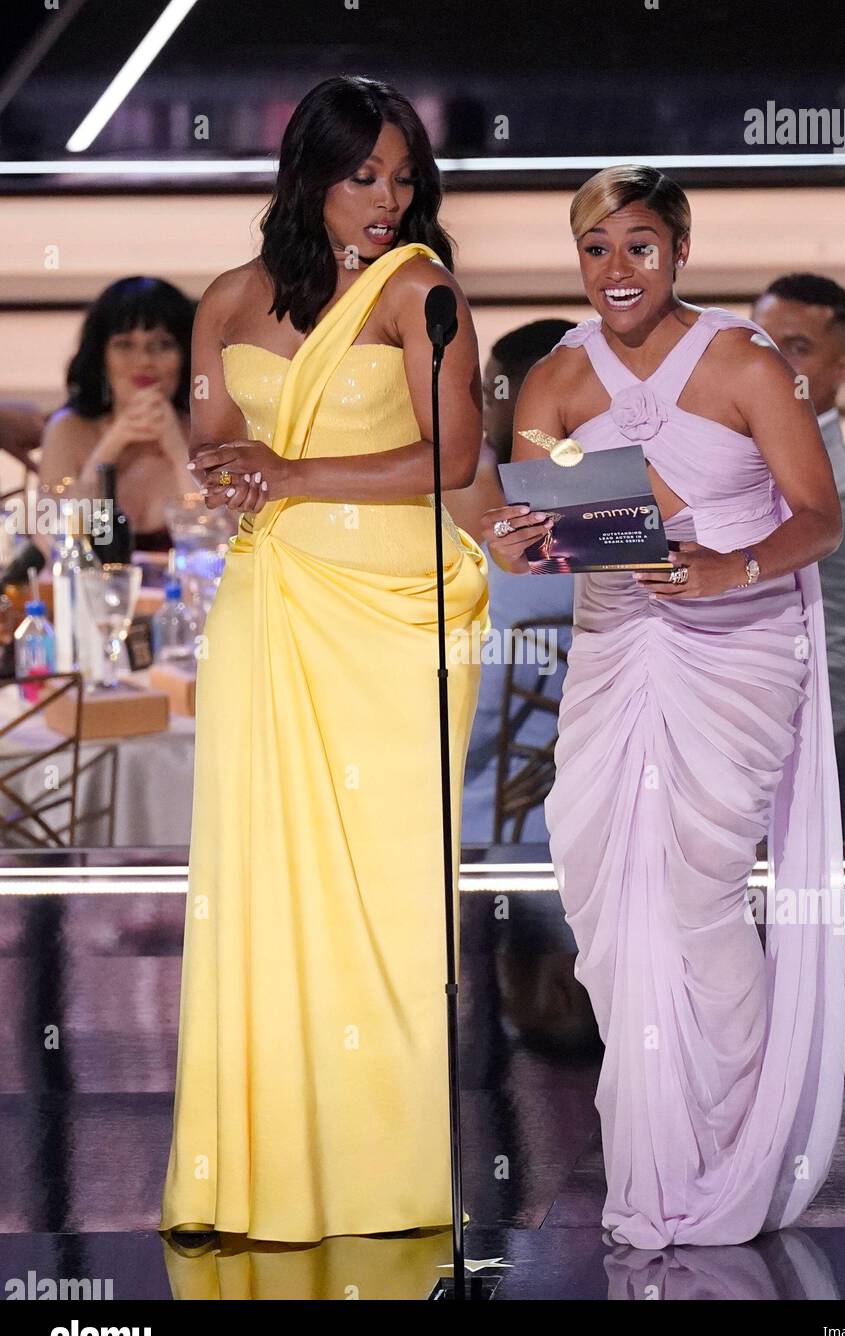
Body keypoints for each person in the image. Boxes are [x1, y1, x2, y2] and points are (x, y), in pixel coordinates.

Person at [482, 164, 845, 1249]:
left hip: (732, 647)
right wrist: (513, 538)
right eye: (594, 249)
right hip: (612, 648)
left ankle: (736, 1134)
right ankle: (656, 1153)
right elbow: (542, 524)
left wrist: (725, 569)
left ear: (677, 250)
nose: (615, 270)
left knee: (693, 890)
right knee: (605, 899)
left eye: (636, 245)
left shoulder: (742, 360)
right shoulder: (550, 381)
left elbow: (817, 516)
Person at [160, 75, 490, 1247]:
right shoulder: (228, 300)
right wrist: (234, 461)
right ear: (308, 176)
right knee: (262, 879)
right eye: (364, 178)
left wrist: (293, 475)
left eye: (403, 179)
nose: (387, 201)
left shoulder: (423, 291)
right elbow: (210, 433)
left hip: (396, 611)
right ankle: (257, 1176)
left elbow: (451, 455)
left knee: (386, 892)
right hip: (271, 599)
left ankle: (381, 1178)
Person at [444, 320, 576, 843]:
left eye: (492, 394)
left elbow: (464, 719)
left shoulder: (506, 567)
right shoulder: (626, 533)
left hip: (468, 832)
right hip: (591, 827)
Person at [752, 274, 845, 733]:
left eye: (796, 348)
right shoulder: (700, 448)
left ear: (843, 369)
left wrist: (750, 734)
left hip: (762, 754)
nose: (768, 364)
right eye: (757, 341)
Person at [38, 277, 198, 555]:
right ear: (101, 357)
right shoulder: (67, 429)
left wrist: (177, 450)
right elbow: (51, 543)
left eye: (162, 344)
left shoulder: (207, 431)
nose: (144, 360)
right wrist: (111, 445)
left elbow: (220, 542)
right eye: (125, 345)